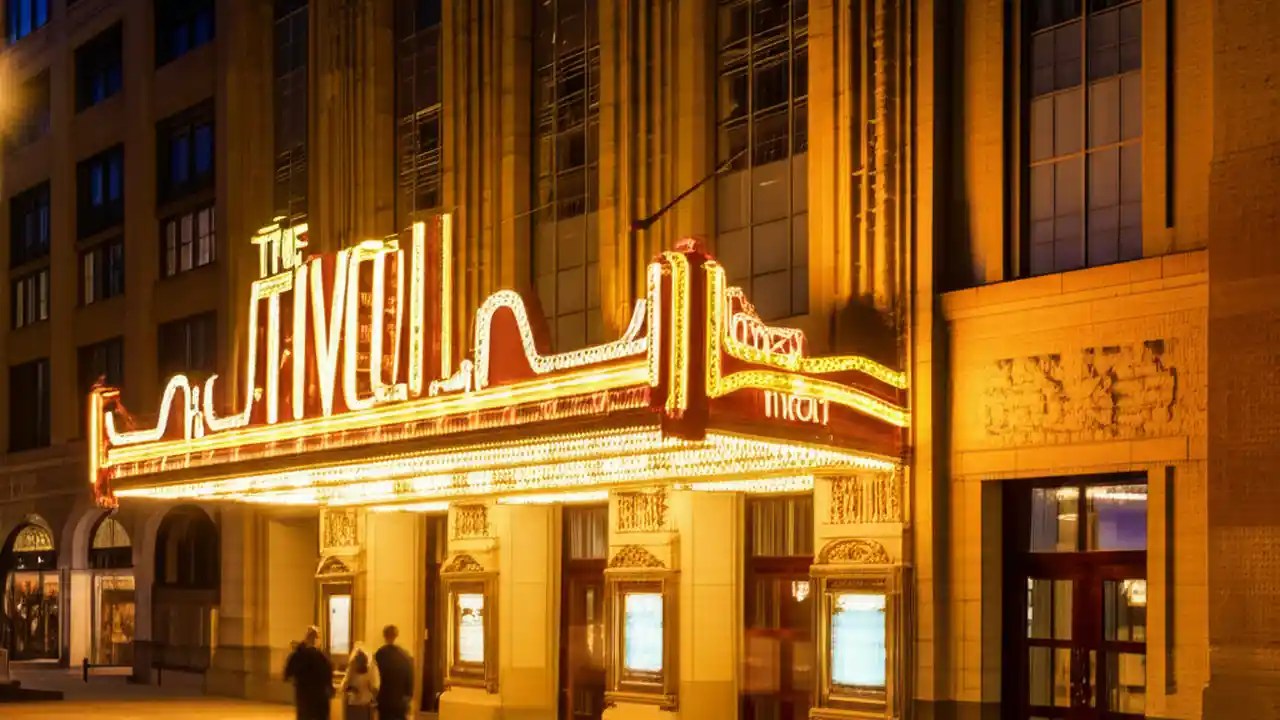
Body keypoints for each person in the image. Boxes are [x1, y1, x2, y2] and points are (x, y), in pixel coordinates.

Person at [284, 626, 335, 720]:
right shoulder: (322, 658)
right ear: (316, 640)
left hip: (303, 698)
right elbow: (328, 676)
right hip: (320, 700)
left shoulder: (298, 655)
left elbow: (287, 673)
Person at [373, 624, 414, 720]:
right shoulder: (405, 656)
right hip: (400, 702)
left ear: (384, 636)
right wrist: (408, 697)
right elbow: (410, 679)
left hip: (384, 701)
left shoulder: (379, 655)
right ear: (396, 635)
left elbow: (375, 679)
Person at [341, 646, 377, 720]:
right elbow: (373, 688)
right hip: (364, 706)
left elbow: (343, 687)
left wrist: (351, 689)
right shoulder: (368, 673)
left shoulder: (351, 672)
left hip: (353, 705)